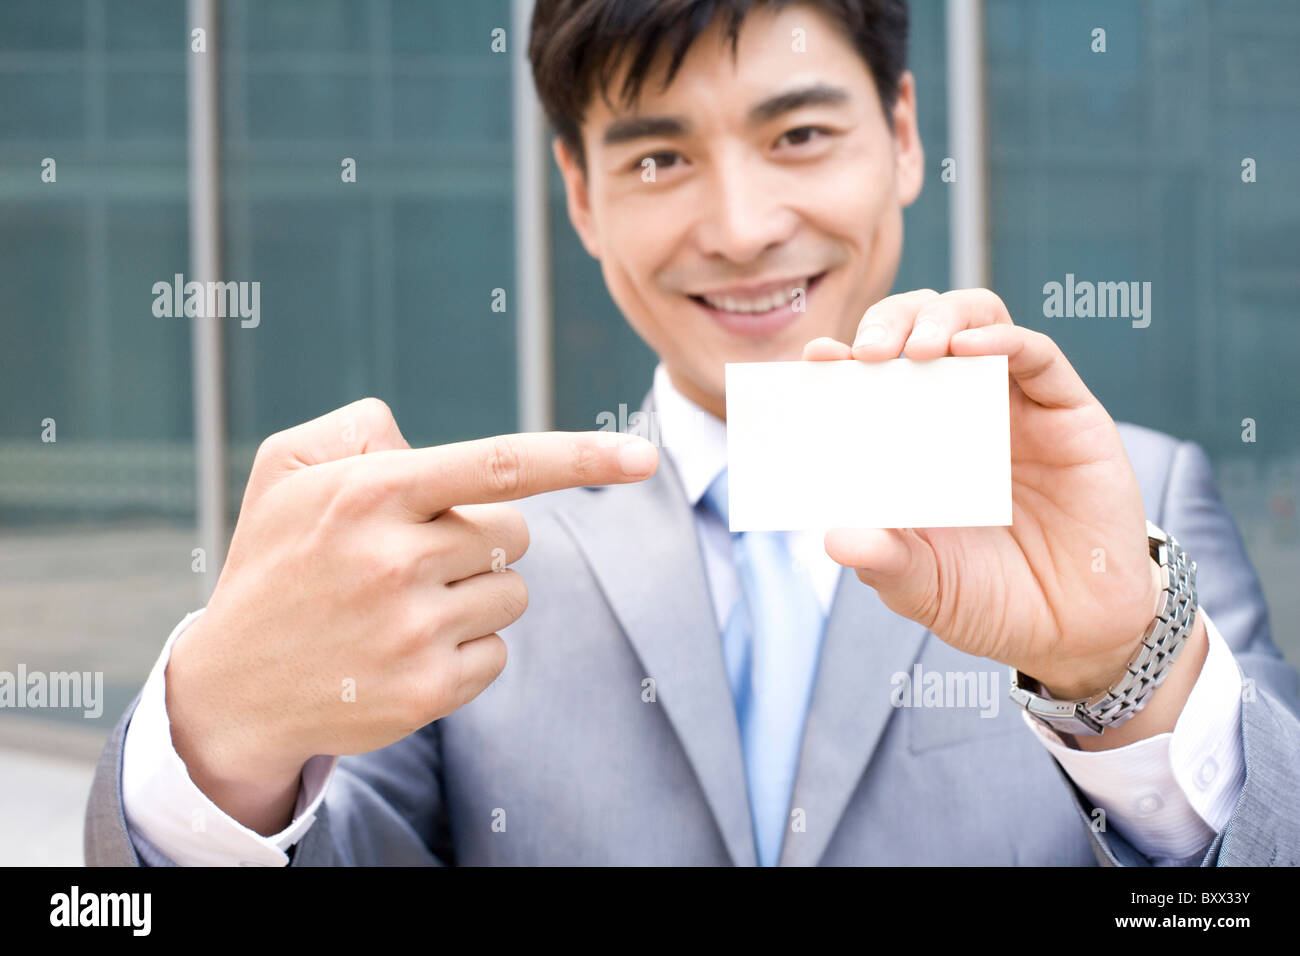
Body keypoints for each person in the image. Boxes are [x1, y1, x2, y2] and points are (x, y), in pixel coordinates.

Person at [86, 0, 1300, 866]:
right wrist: (219, 745)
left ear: (905, 134)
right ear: (579, 194)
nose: (740, 223)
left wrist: (1123, 681)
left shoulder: (1125, 498)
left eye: (799, 135)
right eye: (660, 154)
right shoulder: (461, 562)